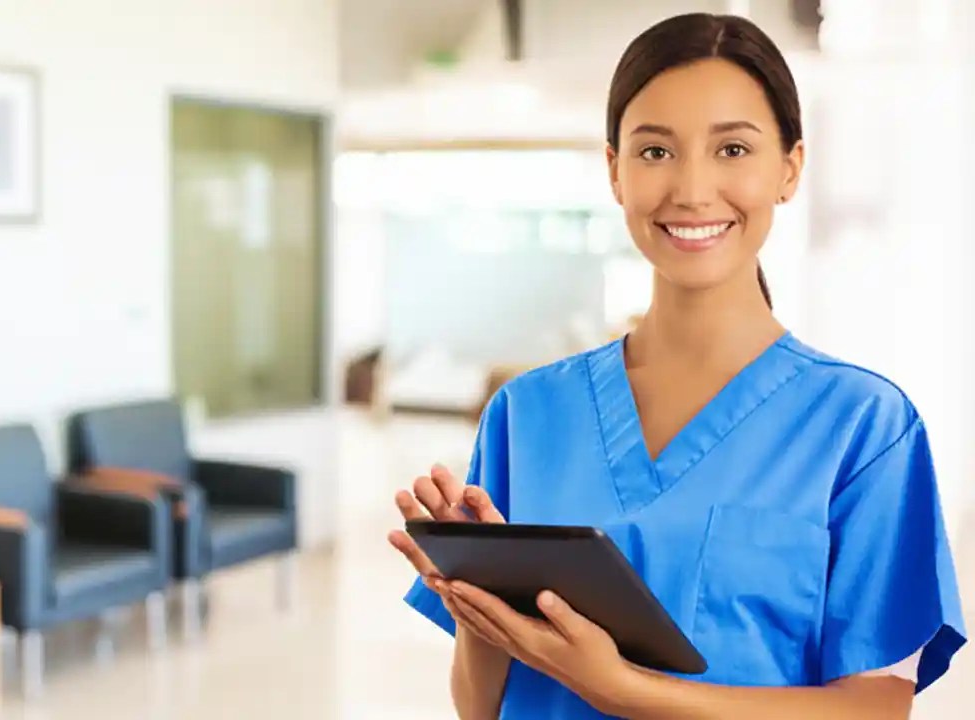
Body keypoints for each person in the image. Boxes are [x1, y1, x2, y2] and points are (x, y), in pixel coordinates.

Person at [387, 12, 967, 720]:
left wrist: (622, 689)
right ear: (615, 172)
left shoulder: (864, 428)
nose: (692, 189)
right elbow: (480, 709)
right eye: (656, 152)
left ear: (789, 168)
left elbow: (874, 710)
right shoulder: (527, 414)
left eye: (732, 149)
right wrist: (476, 605)